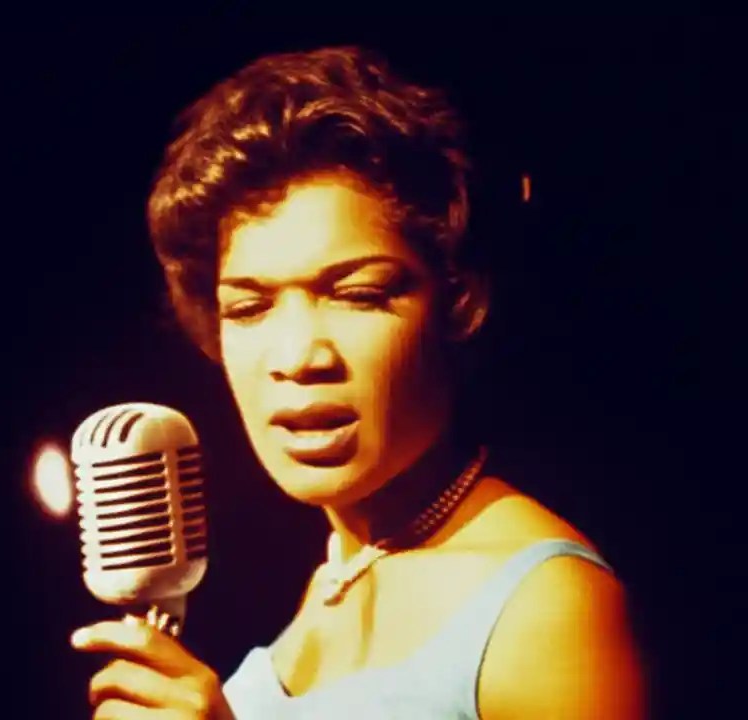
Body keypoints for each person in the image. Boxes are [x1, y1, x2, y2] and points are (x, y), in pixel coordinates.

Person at [69, 46, 647, 719]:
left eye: (358, 294)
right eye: (249, 308)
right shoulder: (329, 586)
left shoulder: (547, 609)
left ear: (458, 301)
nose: (297, 356)